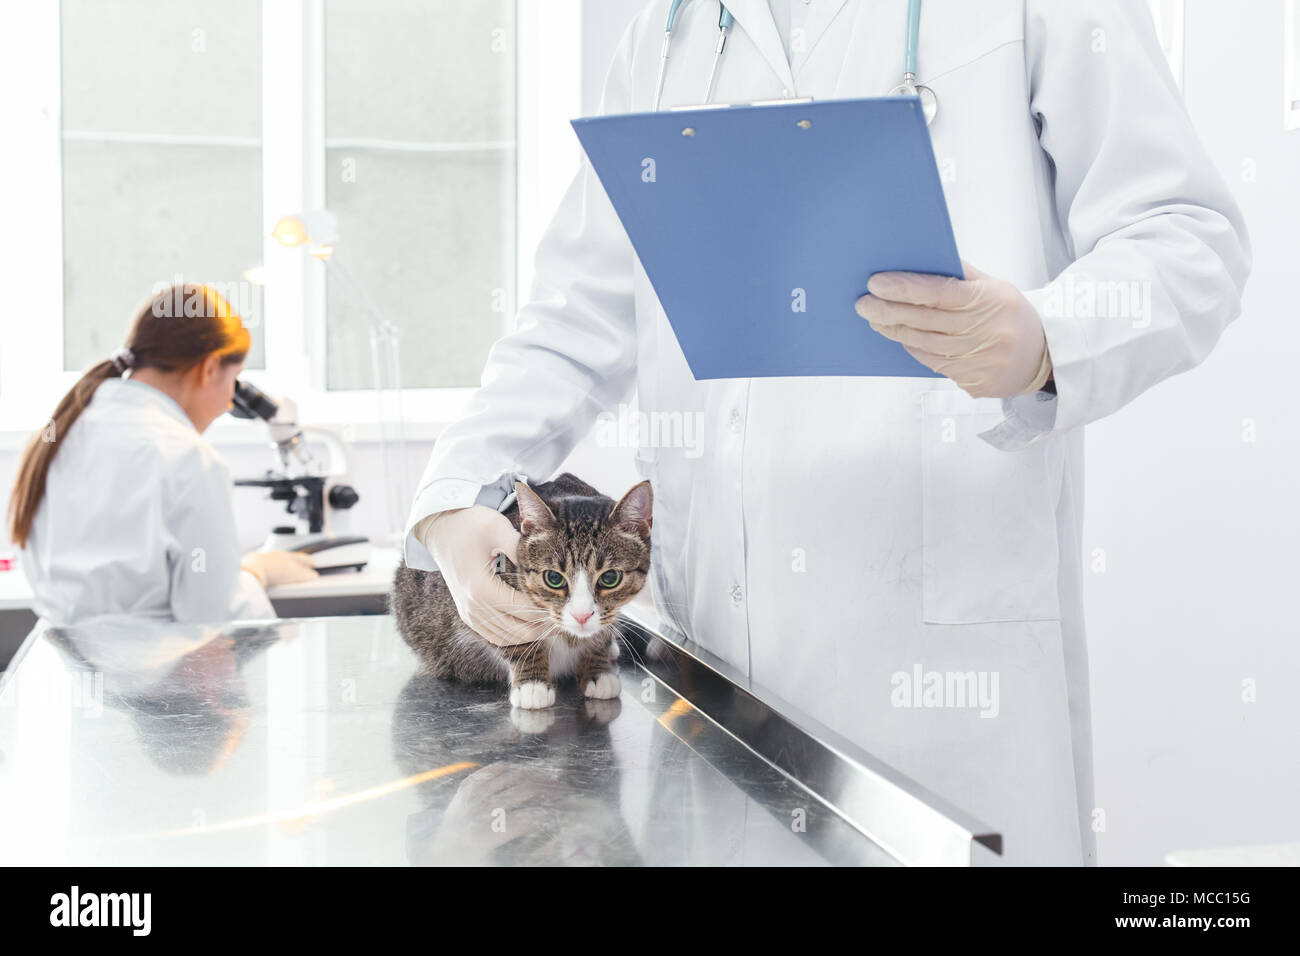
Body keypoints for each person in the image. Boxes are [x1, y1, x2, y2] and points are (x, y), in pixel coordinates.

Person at [402, 1, 1250, 865]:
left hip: (942, 697)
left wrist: (1044, 338)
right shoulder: (668, 29)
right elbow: (572, 317)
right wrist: (452, 498)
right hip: (714, 687)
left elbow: (1189, 241)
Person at [7, 283, 318, 626]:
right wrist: (258, 572)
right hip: (152, 676)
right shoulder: (188, 458)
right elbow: (214, 619)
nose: (231, 402)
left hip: (66, 672)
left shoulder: (63, 433)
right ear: (210, 367)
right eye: (235, 381)